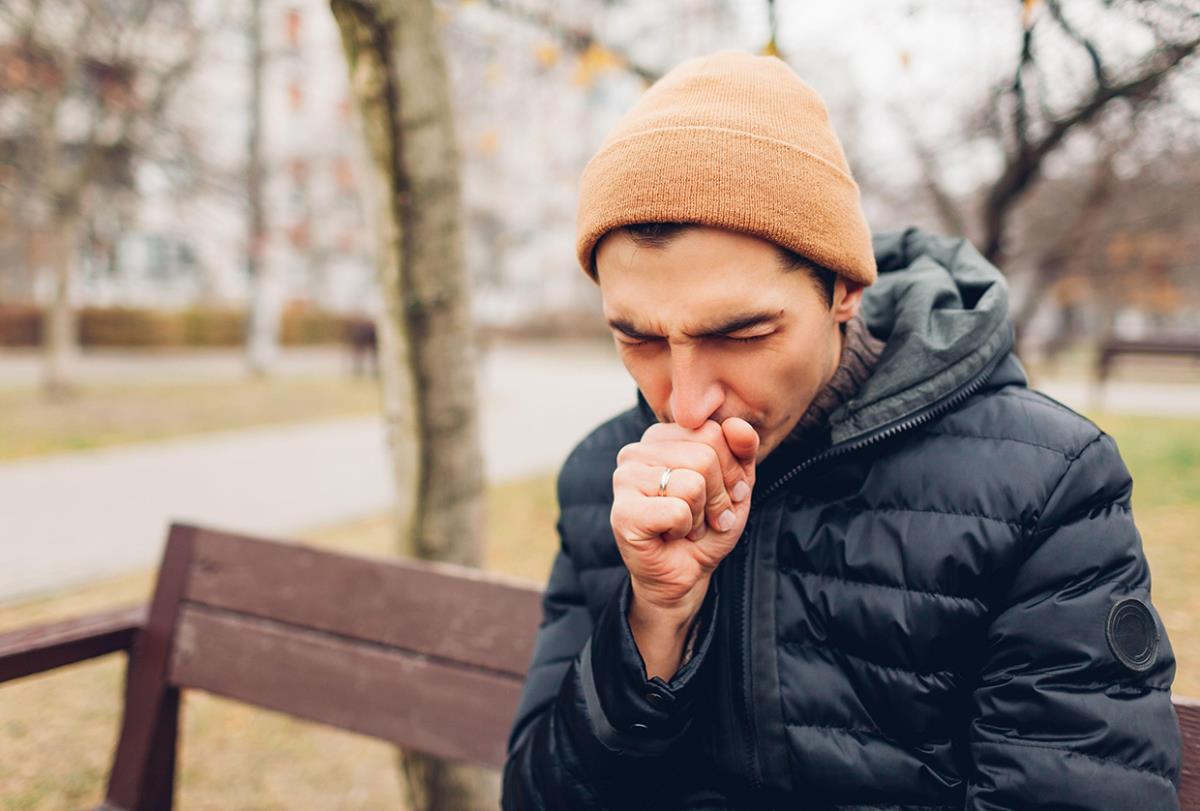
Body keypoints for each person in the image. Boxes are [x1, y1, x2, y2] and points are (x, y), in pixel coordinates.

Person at [500, 50, 1182, 810]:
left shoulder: (1044, 486)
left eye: (742, 332)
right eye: (641, 339)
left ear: (844, 288)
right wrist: (653, 620)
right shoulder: (607, 479)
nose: (687, 403)